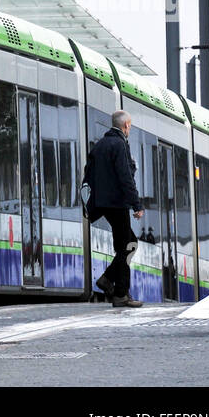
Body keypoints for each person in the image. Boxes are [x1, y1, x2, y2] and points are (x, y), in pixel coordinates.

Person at [83, 110, 144, 308]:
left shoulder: (100, 145)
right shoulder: (120, 144)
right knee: (128, 245)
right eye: (130, 126)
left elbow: (88, 174)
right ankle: (120, 293)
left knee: (125, 245)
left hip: (103, 204)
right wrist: (136, 204)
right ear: (125, 125)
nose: (129, 130)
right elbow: (125, 177)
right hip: (117, 204)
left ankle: (109, 281)